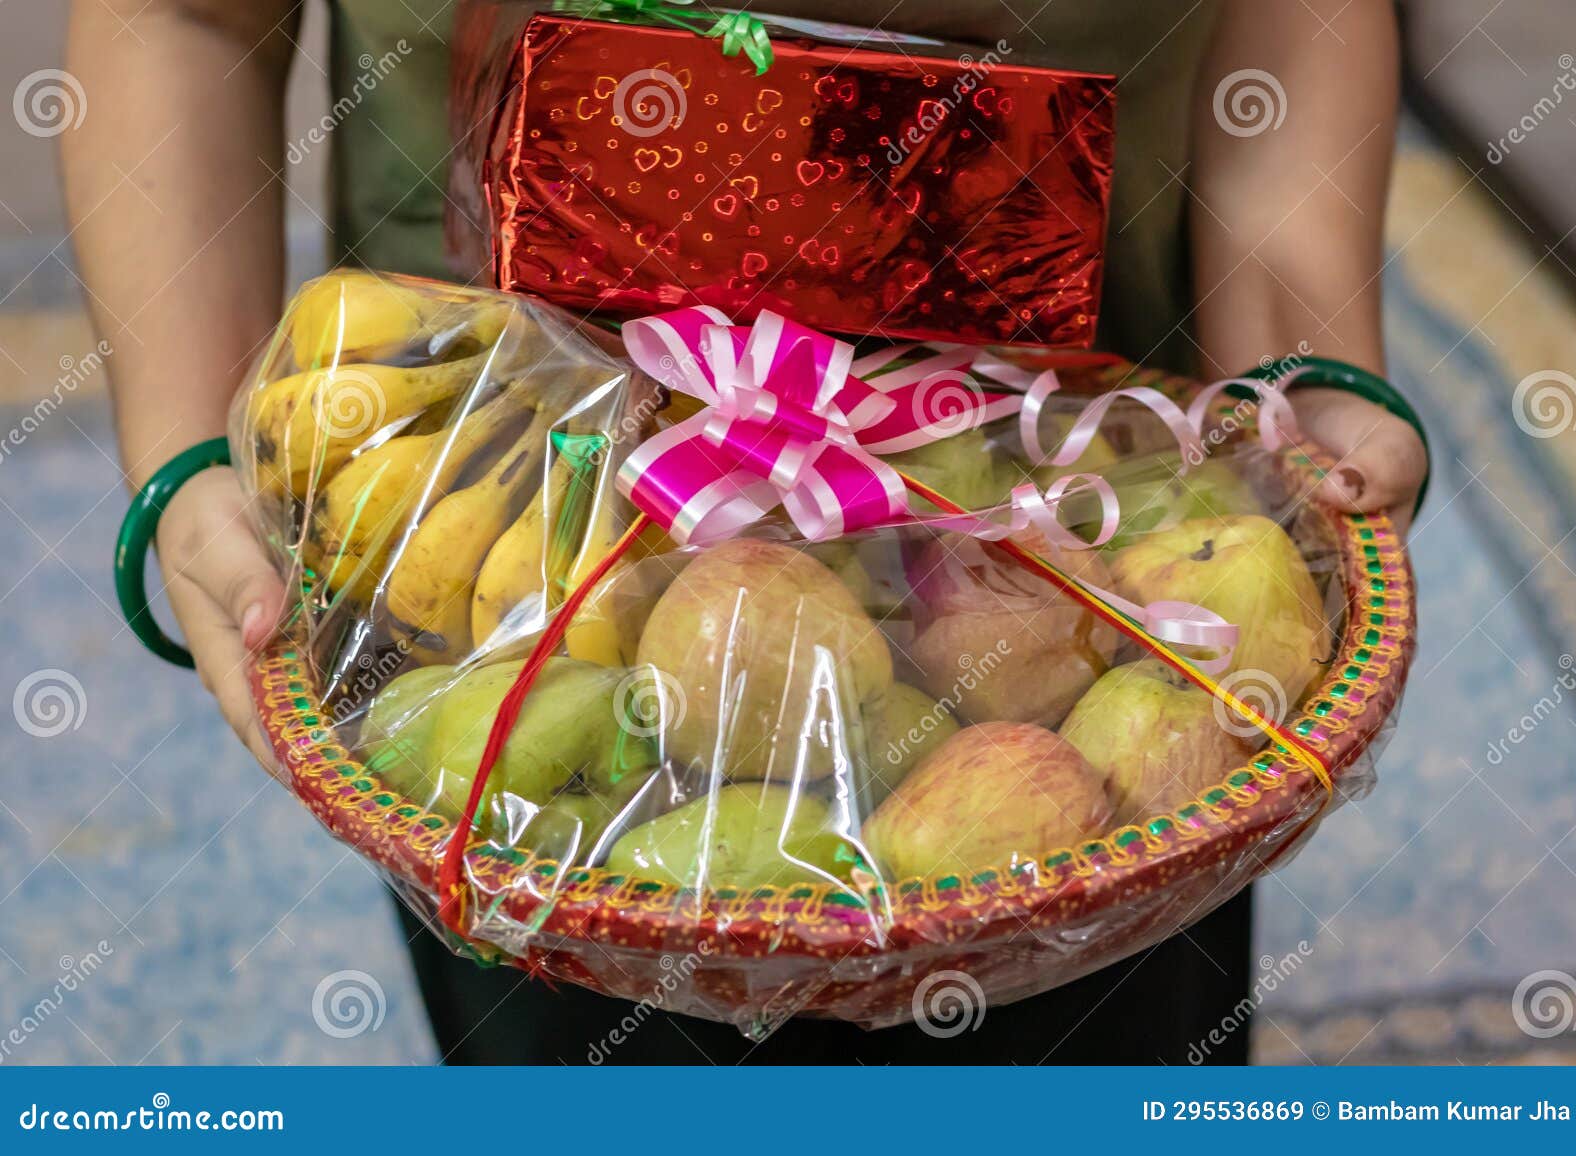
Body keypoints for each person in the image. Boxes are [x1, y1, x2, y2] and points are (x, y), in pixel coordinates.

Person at [64, 0, 1427, 1064]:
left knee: (1098, 1047)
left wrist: (1299, 368)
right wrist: (190, 459)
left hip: (1093, 533)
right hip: (503, 537)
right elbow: (181, 15)